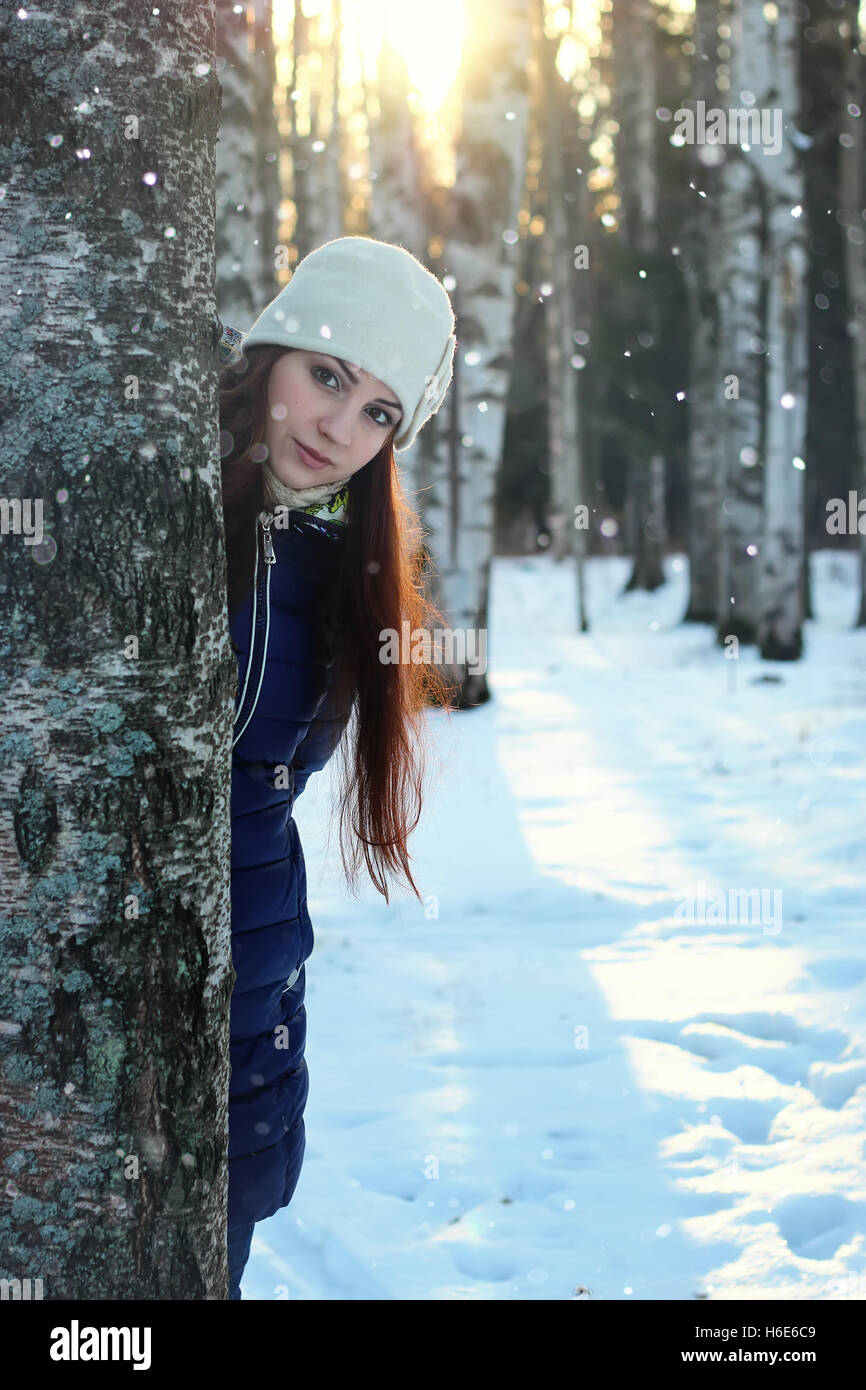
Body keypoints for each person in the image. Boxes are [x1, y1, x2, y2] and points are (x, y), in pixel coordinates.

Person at [218, 235, 458, 1299]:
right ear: (266, 353)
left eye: (378, 412)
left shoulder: (345, 577)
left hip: (238, 1008)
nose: (338, 429)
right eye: (326, 374)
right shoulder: (111, 498)